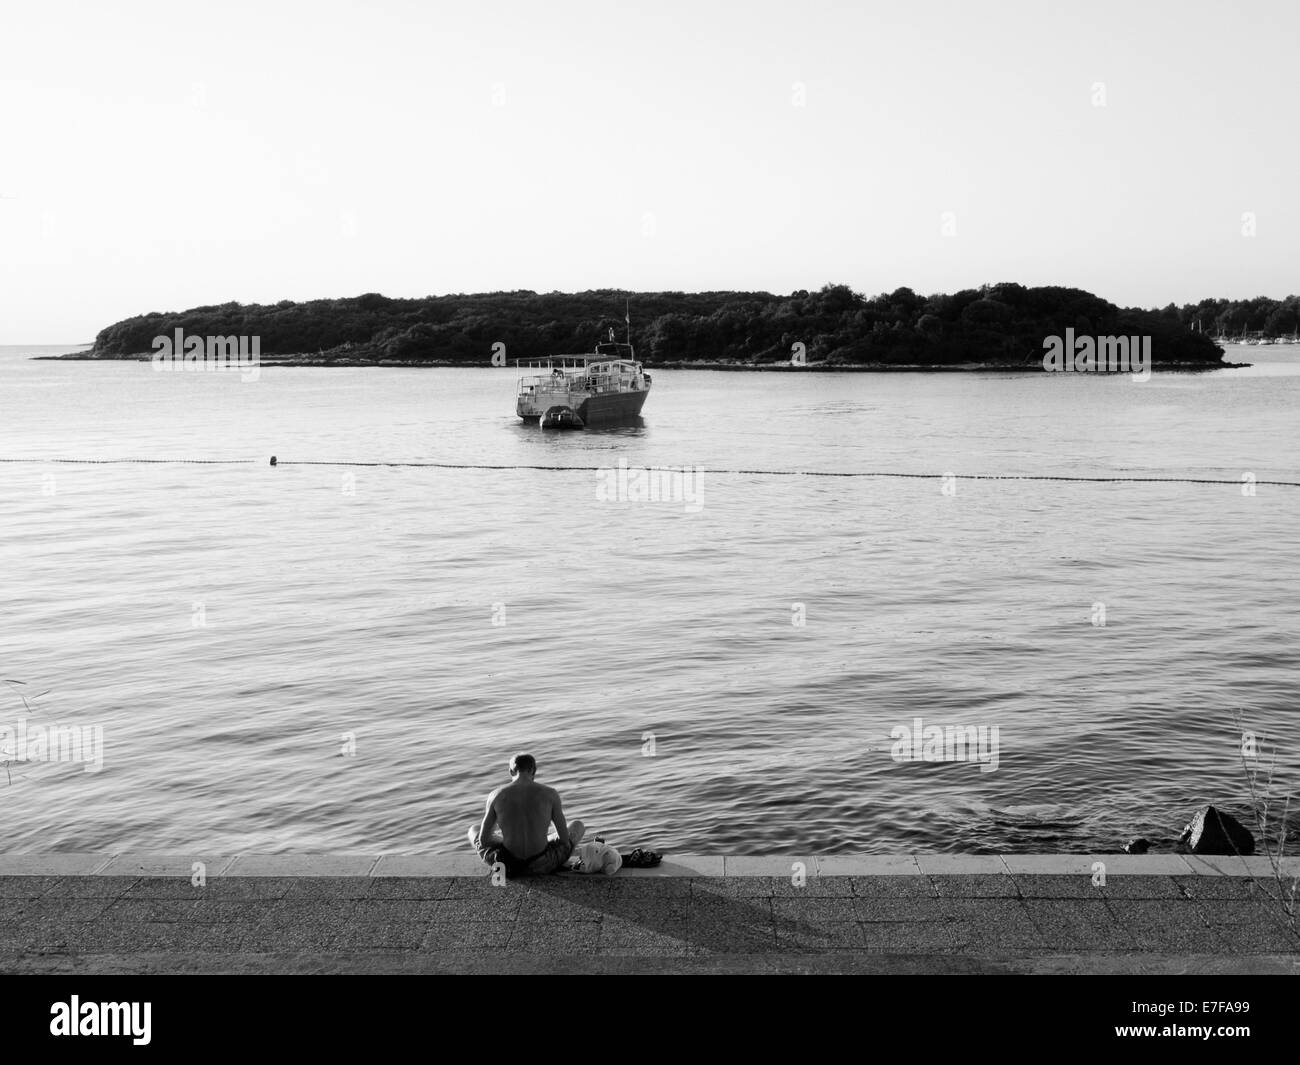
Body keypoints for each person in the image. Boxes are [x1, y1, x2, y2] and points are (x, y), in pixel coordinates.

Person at [467, 753, 585, 877]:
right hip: (543, 864)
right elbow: (564, 839)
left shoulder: (496, 795)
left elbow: (484, 841)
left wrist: (504, 841)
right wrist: (546, 839)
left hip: (507, 864)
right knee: (578, 825)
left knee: (473, 830)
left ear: (511, 771)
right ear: (534, 771)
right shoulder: (550, 794)